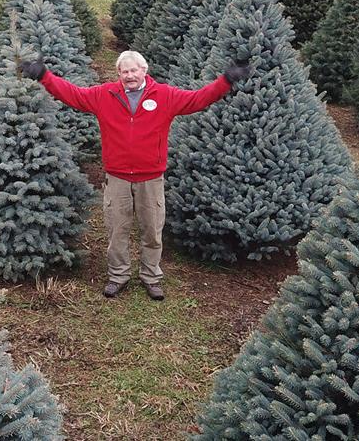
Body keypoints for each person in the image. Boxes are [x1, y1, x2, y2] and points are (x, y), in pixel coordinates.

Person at [20, 51, 251, 301]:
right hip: (117, 177)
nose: (129, 75)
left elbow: (198, 99)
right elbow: (72, 94)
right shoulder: (103, 95)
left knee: (152, 231)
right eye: (124, 71)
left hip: (151, 179)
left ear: (144, 70)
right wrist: (44, 76)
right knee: (116, 230)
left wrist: (226, 80)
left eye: (134, 70)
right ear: (118, 74)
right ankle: (118, 275)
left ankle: (151, 277)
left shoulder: (165, 95)